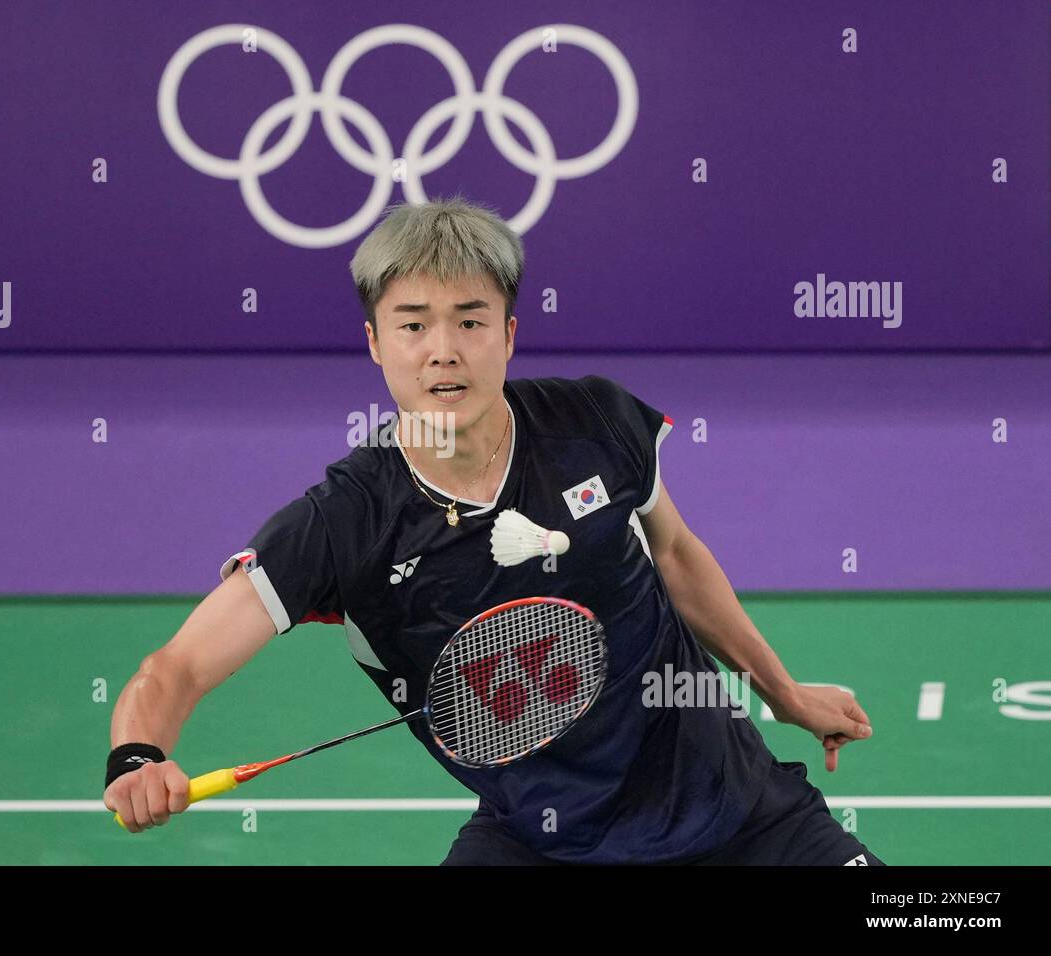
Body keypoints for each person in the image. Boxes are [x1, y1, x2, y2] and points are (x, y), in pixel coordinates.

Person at [103, 196, 885, 865]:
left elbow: (675, 554)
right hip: (544, 843)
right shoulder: (343, 523)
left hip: (739, 814)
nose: (443, 350)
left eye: (469, 321)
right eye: (412, 325)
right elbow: (174, 669)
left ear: (509, 334)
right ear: (375, 344)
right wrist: (139, 757)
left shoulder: (595, 423)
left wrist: (779, 693)